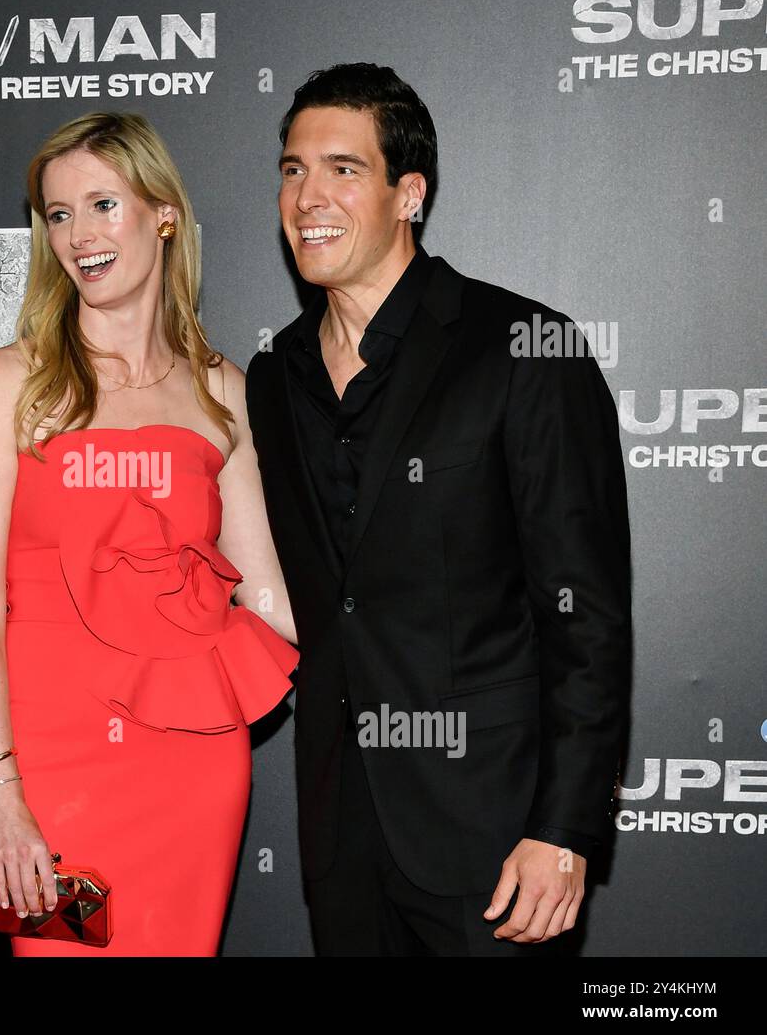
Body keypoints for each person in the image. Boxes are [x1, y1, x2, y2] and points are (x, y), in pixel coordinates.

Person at [246, 63, 632, 956]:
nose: (308, 195)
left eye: (343, 169)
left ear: (407, 193)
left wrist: (566, 829)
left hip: (495, 834)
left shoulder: (524, 350)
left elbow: (587, 617)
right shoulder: (275, 377)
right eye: (293, 169)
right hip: (340, 830)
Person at [0, 112, 298, 957]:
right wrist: (1, 795)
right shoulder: (4, 385)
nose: (79, 235)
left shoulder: (221, 389)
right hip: (49, 769)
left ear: (164, 213)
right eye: (59, 215)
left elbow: (272, 601)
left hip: (193, 765)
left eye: (103, 204)